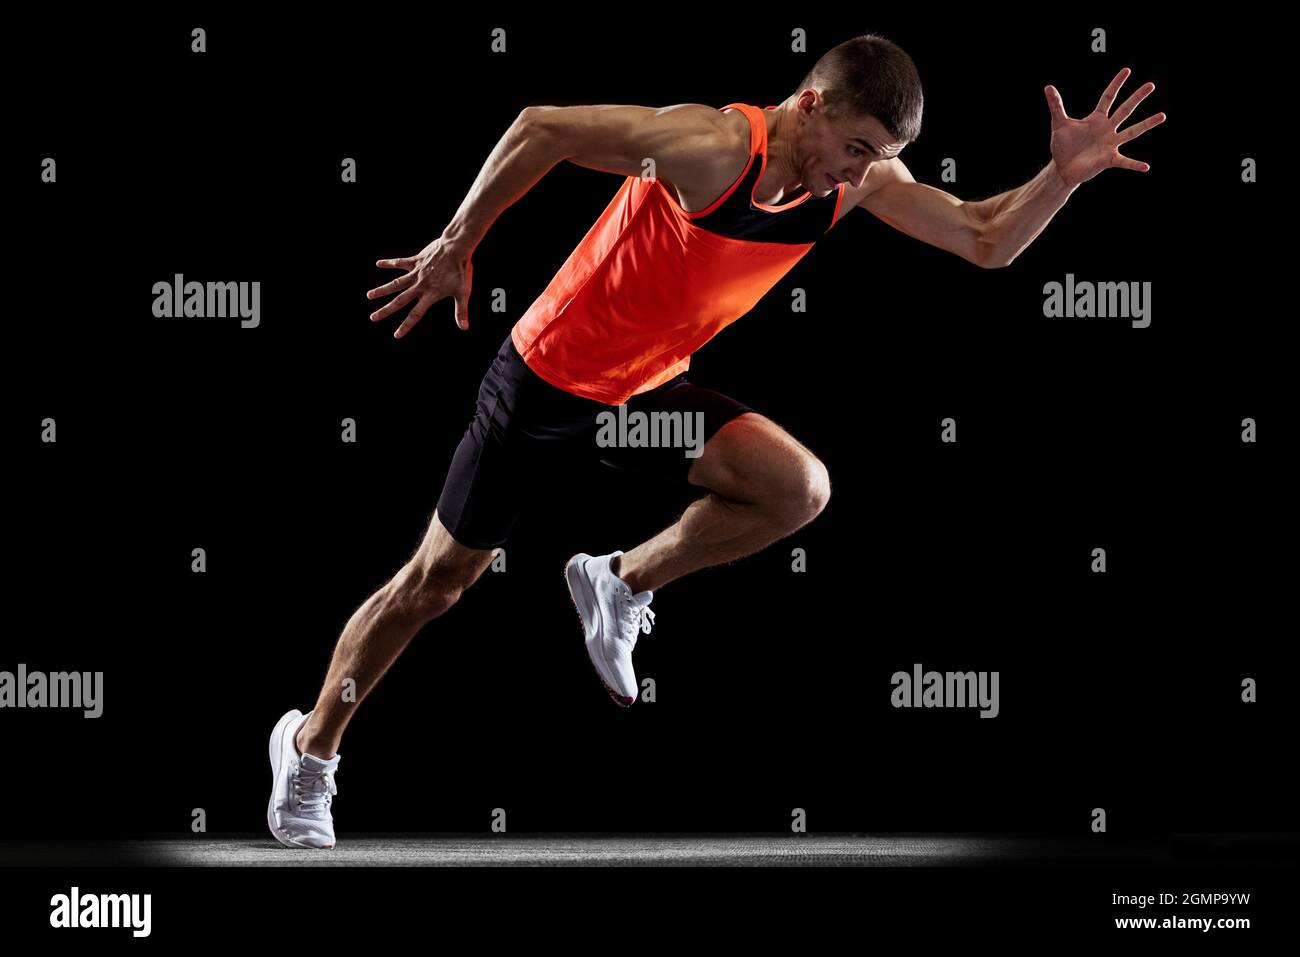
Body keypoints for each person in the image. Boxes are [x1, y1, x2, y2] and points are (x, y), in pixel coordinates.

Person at [267, 33, 1165, 849]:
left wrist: (1062, 179)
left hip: (646, 393)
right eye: (856, 148)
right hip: (547, 383)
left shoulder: (853, 184)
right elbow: (540, 126)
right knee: (436, 584)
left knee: (798, 489)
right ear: (810, 104)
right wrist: (458, 242)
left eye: (882, 159)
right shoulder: (710, 148)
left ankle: (617, 582)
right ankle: (309, 753)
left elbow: (984, 239)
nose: (860, 174)